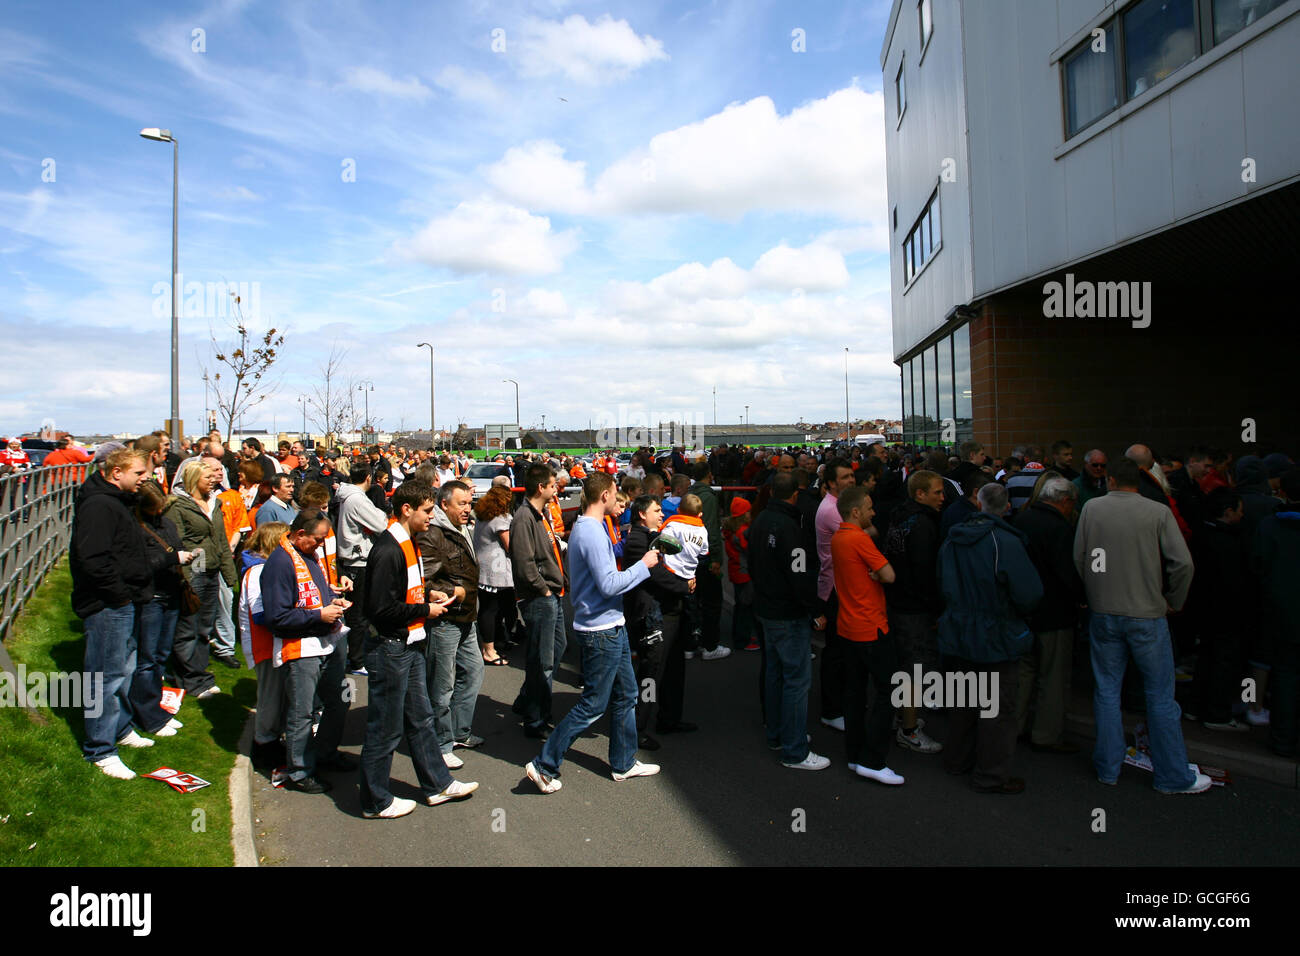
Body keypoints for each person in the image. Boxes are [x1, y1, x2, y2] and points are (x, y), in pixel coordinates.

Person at [1073, 456, 1206, 794]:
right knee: (1160, 696)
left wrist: (1095, 591)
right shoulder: (1157, 512)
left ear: (1111, 480)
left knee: (1106, 691)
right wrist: (1173, 601)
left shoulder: (1092, 510)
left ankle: (1108, 768)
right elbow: (1183, 564)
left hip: (1104, 611)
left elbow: (1080, 557)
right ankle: (1172, 775)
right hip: (1147, 613)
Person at [524, 472, 662, 794]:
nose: (620, 499)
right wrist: (644, 565)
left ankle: (623, 762)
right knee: (593, 705)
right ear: (604, 497)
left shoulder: (590, 528)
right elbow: (609, 584)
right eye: (616, 494)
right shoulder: (591, 532)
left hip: (610, 624)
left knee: (627, 694)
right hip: (602, 630)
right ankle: (544, 765)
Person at [359, 481, 478, 818]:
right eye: (427, 511)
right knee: (386, 725)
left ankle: (437, 784)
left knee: (421, 718)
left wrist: (429, 596)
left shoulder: (406, 542)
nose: (432, 516)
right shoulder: (388, 549)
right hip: (389, 648)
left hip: (407, 645)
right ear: (407, 510)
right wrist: (426, 611)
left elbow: (403, 594)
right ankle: (375, 800)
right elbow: (380, 608)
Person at [938, 482, 1042, 793]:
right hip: (995, 633)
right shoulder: (1004, 542)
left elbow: (941, 581)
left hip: (958, 631)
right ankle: (991, 774)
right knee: (996, 709)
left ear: (979, 503)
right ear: (1006, 507)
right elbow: (1030, 593)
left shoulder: (953, 540)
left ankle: (957, 760)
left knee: (963, 700)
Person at [70, 448, 155, 779]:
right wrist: (118, 597)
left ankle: (120, 728)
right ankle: (100, 749)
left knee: (123, 670)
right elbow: (93, 559)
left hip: (123, 600)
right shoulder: (99, 506)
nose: (144, 478)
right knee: (103, 678)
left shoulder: (116, 501)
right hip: (107, 604)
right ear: (116, 472)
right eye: (138, 473)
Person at [261, 509, 353, 794]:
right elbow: (276, 617)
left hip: (326, 641)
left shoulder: (308, 554)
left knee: (338, 700)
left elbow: (313, 594)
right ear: (300, 534)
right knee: (302, 711)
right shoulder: (279, 563)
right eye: (318, 539)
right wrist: (318, 616)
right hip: (301, 647)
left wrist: (333, 597)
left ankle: (324, 753)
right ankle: (299, 771)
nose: (322, 545)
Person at [750, 472, 832, 771]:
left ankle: (778, 734)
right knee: (796, 680)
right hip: (787, 613)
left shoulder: (760, 520)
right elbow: (800, 575)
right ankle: (795, 750)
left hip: (767, 609)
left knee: (776, 674)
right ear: (795, 494)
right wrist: (814, 610)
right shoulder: (790, 527)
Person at [832, 485, 903, 785]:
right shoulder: (859, 539)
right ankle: (873, 759)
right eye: (870, 508)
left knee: (855, 693)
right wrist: (877, 572)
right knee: (890, 690)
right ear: (856, 512)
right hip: (871, 627)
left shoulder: (839, 537)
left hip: (847, 626)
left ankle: (855, 755)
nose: (875, 512)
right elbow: (889, 575)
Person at [1010, 475, 1084, 753]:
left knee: (1024, 673)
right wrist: (1081, 598)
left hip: (1024, 611)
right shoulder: (1060, 529)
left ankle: (1014, 726)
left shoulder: (1021, 520)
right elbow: (1067, 573)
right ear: (1064, 501)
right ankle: (1046, 734)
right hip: (1054, 612)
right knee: (1052, 677)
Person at [417, 480, 484, 767]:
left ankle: (459, 732)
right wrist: (452, 593)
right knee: (441, 685)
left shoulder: (460, 528)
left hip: (466, 616)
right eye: (462, 504)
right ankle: (440, 744)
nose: (468, 509)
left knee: (473, 670)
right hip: (446, 620)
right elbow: (425, 581)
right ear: (444, 504)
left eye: (469, 503)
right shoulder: (432, 534)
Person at [881, 470, 945, 754]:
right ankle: (909, 730)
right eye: (937, 492)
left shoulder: (899, 517)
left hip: (897, 603)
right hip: (913, 609)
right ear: (920, 494)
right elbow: (925, 573)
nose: (942, 497)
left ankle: (903, 718)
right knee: (915, 670)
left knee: (906, 666)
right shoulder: (923, 525)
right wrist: (935, 609)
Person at [129, 481, 195, 739]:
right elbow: (140, 564)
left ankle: (155, 705)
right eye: (156, 509)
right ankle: (147, 713)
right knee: (147, 657)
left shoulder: (165, 524)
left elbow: (174, 546)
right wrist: (173, 558)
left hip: (171, 592)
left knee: (160, 654)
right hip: (152, 596)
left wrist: (182, 556)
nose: (160, 513)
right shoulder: (136, 527)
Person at [166, 459, 240, 686]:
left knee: (204, 627)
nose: (214, 480)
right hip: (193, 572)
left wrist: (229, 575)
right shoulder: (178, 506)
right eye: (208, 477)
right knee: (188, 626)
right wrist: (186, 578)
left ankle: (197, 672)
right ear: (193, 479)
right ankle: (188, 676)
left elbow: (220, 541)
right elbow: (176, 542)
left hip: (212, 570)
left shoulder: (214, 504)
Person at [512, 463, 568, 739]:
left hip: (552, 594)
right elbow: (524, 562)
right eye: (552, 484)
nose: (556, 488)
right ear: (540, 488)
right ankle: (536, 719)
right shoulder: (524, 518)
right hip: (540, 598)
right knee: (542, 661)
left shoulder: (540, 514)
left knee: (557, 648)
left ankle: (527, 700)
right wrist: (543, 590)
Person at [238, 521, 290, 769]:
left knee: (277, 694)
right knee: (269, 697)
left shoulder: (266, 567)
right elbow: (260, 614)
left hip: (273, 642)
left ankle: (272, 738)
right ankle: (264, 744)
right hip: (264, 644)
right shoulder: (257, 571)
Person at [336, 462, 390, 676]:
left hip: (354, 558)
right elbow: (381, 523)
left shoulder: (349, 496)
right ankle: (357, 661)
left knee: (357, 612)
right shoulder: (357, 499)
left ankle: (355, 656)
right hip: (358, 561)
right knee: (358, 614)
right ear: (368, 477)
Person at [815, 459, 856, 732]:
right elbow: (860, 534)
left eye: (852, 475)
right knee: (836, 652)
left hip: (842, 584)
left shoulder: (837, 505)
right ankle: (831, 709)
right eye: (845, 477)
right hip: (834, 588)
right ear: (831, 483)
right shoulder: (831, 509)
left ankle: (840, 703)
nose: (851, 480)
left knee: (843, 650)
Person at [472, 484, 515, 665]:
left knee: (491, 609)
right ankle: (489, 649)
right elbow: (510, 545)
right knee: (492, 611)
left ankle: (494, 642)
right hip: (496, 572)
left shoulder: (482, 517)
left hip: (483, 569)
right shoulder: (500, 520)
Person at [688, 461, 726, 657]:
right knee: (712, 602)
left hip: (690, 556)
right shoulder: (708, 498)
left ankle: (691, 643)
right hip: (705, 557)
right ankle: (710, 646)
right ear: (709, 475)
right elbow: (711, 530)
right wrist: (716, 558)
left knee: (694, 602)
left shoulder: (689, 494)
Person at [724, 498, 759, 653]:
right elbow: (751, 551)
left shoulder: (731, 530)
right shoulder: (742, 532)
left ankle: (740, 637)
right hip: (744, 573)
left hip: (736, 571)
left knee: (740, 607)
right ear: (743, 514)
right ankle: (742, 640)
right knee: (745, 609)